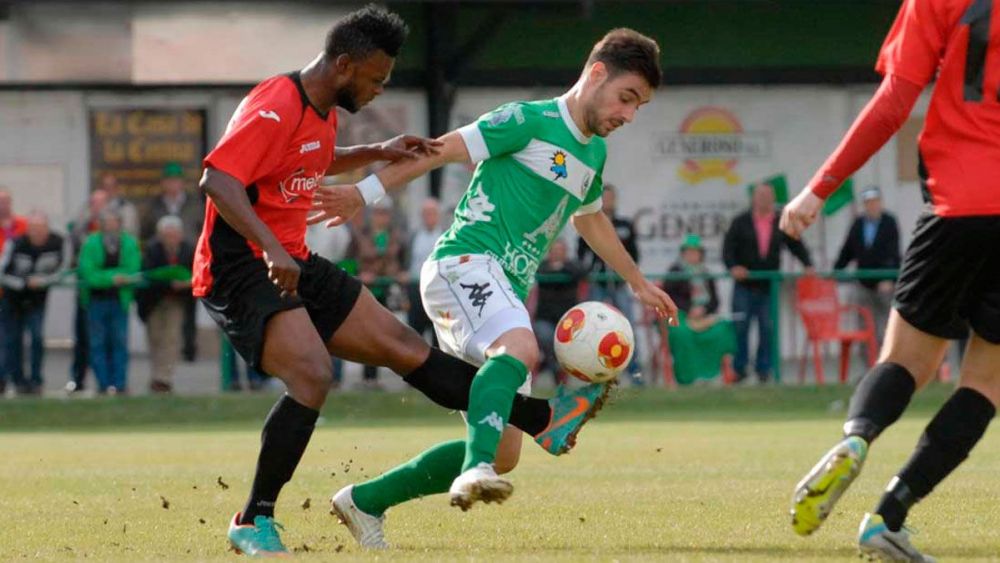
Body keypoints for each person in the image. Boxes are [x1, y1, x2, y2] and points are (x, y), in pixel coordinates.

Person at [192, 7, 604, 556]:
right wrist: (270, 248)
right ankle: (253, 518)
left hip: (291, 258)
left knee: (401, 346)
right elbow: (217, 178)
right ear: (344, 65)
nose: (380, 90)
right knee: (313, 376)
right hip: (240, 265)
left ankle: (540, 417)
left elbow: (311, 161)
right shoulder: (276, 102)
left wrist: (375, 153)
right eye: (377, 79)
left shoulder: (318, 111)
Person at [312, 27, 677, 547]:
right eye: (627, 98)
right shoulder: (526, 121)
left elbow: (588, 220)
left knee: (507, 449)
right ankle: (474, 469)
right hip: (465, 264)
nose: (629, 115)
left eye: (639, 106)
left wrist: (637, 282)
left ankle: (365, 501)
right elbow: (437, 152)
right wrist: (363, 192)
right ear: (596, 74)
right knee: (520, 350)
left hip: (498, 285)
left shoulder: (593, 156)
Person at [782, 1, 1000, 559]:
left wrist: (819, 188)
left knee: (906, 361)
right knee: (987, 382)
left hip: (957, 203)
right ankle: (889, 513)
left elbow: (894, 102)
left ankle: (858, 435)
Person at [722, 182, 814, 384]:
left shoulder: (782, 219)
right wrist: (733, 267)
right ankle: (740, 369)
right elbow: (727, 249)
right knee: (740, 327)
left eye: (768, 195)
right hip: (744, 286)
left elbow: (796, 244)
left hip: (769, 287)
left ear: (773, 198)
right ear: (753, 198)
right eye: (760, 195)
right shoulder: (740, 221)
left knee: (767, 328)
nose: (764, 199)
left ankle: (764, 369)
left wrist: (808, 265)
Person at [576, 184, 642, 384]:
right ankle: (593, 372)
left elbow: (634, 254)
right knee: (591, 327)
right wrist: (589, 271)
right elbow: (581, 254)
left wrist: (628, 273)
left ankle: (635, 372)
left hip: (619, 283)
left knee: (627, 326)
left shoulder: (625, 225)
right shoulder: (589, 223)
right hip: (599, 281)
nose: (608, 202)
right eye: (605, 198)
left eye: (611, 198)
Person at [141, 162, 206, 362]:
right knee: (160, 309)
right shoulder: (153, 207)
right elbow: (145, 235)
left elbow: (204, 231)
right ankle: (164, 354)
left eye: (176, 181)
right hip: (162, 262)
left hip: (189, 260)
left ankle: (188, 348)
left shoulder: (195, 205)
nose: (172, 185)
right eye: (169, 181)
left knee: (187, 306)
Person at [0, 211, 70, 395]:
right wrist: (23, 283)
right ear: (28, 230)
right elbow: (2, 272)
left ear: (47, 229)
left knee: (37, 337)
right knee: (12, 341)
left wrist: (43, 281)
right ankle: (17, 381)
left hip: (37, 300)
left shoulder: (58, 243)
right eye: (34, 229)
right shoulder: (15, 244)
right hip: (13, 299)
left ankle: (36, 380)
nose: (37, 233)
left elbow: (65, 268)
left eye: (41, 229)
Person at [78, 209, 141, 395]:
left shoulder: (129, 243)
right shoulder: (91, 243)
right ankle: (103, 384)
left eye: (114, 222)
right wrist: (113, 277)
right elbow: (88, 272)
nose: (111, 226)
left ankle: (119, 384)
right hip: (96, 300)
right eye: (107, 222)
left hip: (119, 300)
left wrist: (112, 276)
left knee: (119, 343)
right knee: (98, 343)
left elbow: (133, 269)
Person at [662, 233, 736, 385]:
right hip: (681, 315)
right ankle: (688, 377)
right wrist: (689, 309)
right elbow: (669, 297)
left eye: (696, 252)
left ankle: (715, 374)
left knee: (722, 330)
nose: (692, 255)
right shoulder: (675, 272)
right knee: (683, 334)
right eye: (689, 252)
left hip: (704, 316)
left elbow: (715, 300)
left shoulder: (706, 273)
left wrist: (704, 310)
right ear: (683, 253)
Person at [833, 186, 901, 343]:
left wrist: (888, 278)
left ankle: (885, 363)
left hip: (884, 284)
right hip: (864, 283)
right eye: (868, 202)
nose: (872, 205)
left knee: (886, 325)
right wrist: (836, 271)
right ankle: (869, 364)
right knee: (865, 325)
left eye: (875, 201)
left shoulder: (889, 222)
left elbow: (893, 252)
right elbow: (847, 250)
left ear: (880, 202)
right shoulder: (858, 224)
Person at [136, 216, 194, 394]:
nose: (171, 239)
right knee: (155, 338)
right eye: (167, 235)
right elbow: (148, 274)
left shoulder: (188, 250)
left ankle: (164, 378)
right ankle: (156, 376)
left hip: (177, 301)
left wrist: (185, 283)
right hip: (154, 300)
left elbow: (197, 273)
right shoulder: (153, 250)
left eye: (174, 234)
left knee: (171, 338)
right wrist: (168, 282)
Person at [355, 197, 405, 389]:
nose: (381, 217)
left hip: (388, 290)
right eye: (377, 213)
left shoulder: (397, 236)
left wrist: (400, 272)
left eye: (384, 213)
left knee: (388, 333)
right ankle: (369, 378)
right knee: (367, 334)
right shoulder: (361, 234)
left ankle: (389, 376)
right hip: (367, 291)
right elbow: (349, 260)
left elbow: (403, 260)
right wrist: (360, 273)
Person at [66, 188, 109, 394]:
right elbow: (74, 253)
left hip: (109, 292)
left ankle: (108, 383)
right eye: (94, 203)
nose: (97, 208)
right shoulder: (81, 227)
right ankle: (78, 379)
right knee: (82, 337)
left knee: (107, 340)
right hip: (86, 292)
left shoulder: (115, 228)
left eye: (101, 203)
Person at [532, 238, 586, 385]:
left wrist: (560, 268)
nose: (557, 254)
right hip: (545, 317)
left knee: (570, 342)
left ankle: (555, 367)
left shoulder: (572, 266)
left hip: (567, 320)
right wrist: (555, 269)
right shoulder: (541, 267)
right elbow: (539, 271)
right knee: (546, 337)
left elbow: (581, 272)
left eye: (560, 251)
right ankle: (555, 367)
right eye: (554, 251)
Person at [404, 197, 444, 345]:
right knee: (414, 338)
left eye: (432, 213)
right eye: (426, 213)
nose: (429, 217)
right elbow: (406, 261)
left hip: (438, 293)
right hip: (416, 291)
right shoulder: (414, 236)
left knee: (438, 339)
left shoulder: (445, 236)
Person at [98, 173, 139, 238]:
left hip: (121, 246)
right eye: (105, 186)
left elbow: (129, 232)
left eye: (111, 186)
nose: (108, 189)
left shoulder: (127, 208)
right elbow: (79, 228)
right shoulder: (93, 205)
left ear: (117, 188)